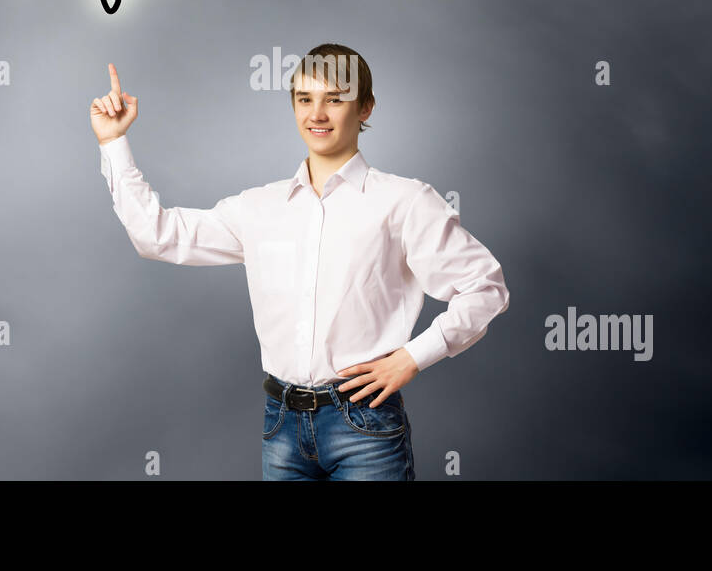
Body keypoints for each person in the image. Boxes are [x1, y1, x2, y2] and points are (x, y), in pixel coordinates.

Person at [91, 43, 509, 480]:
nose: (318, 114)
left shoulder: (404, 202)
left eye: (334, 99)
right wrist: (114, 142)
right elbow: (156, 235)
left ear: (365, 107)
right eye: (305, 99)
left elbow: (485, 287)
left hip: (365, 427)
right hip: (282, 426)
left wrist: (412, 357)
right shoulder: (258, 207)